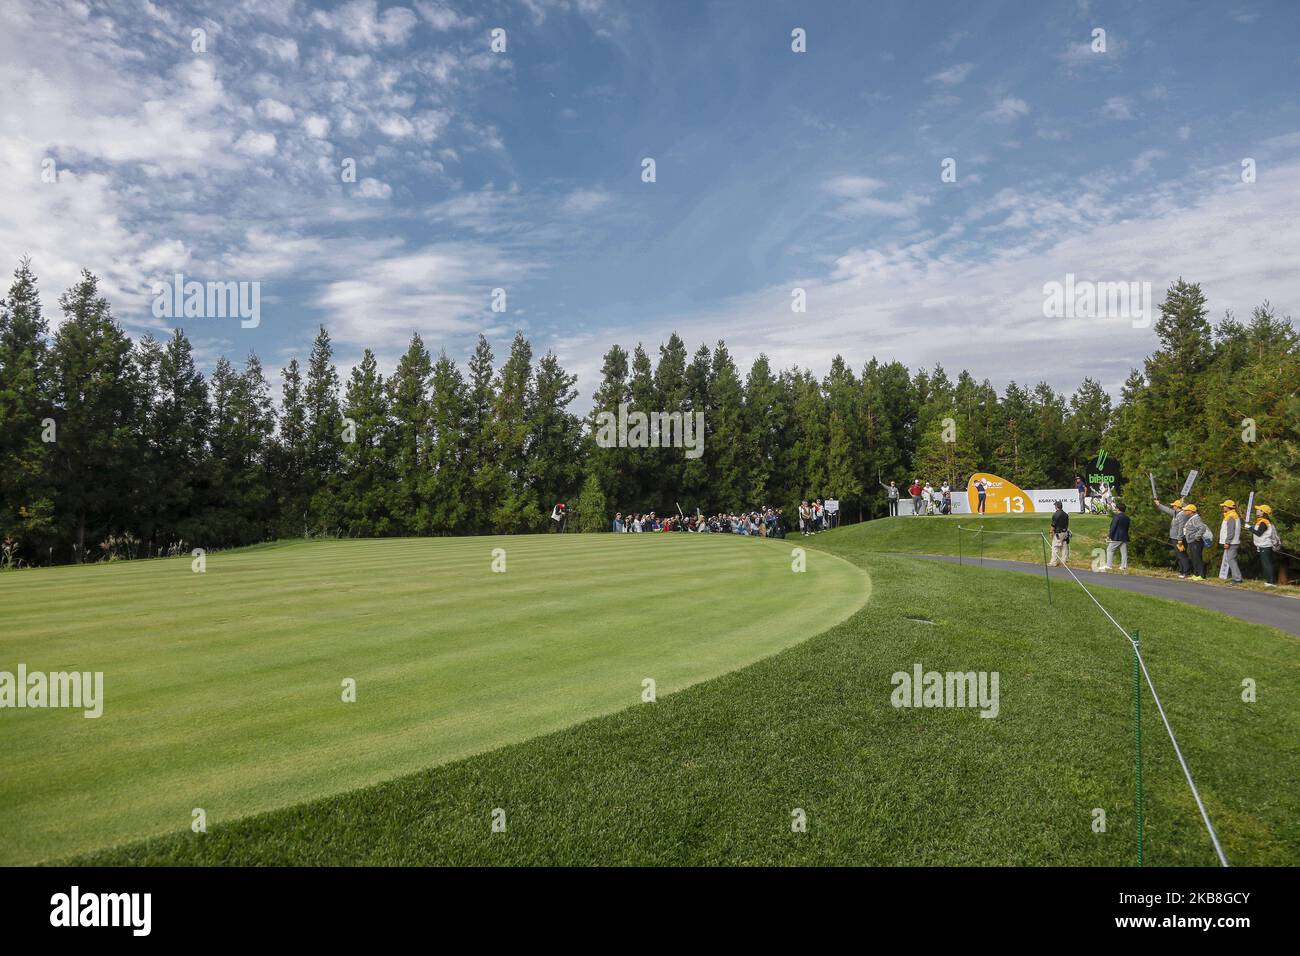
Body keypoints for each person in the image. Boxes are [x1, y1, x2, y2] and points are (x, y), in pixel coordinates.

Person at [1154, 496, 1191, 577]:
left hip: (1179, 538)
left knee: (1182, 555)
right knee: (1179, 555)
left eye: (1174, 505)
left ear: (1177, 507)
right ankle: (1182, 571)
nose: (1172, 506)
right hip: (1175, 538)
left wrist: (1180, 539)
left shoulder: (1182, 515)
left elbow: (1181, 527)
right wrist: (1159, 505)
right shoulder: (1176, 513)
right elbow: (1167, 510)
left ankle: (1186, 572)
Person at [1252, 504, 1280, 587]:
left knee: (1267, 564)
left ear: (1263, 512)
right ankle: (1268, 581)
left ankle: (1270, 582)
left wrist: (1249, 528)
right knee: (1266, 563)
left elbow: (1259, 533)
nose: (1257, 510)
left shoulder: (1264, 522)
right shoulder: (1262, 520)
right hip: (1264, 545)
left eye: (1259, 510)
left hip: (1265, 545)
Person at [1217, 500, 1244, 585]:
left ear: (1228, 507)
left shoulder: (1231, 516)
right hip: (1233, 542)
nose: (1223, 507)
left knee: (1231, 560)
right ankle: (1236, 578)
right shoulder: (1231, 515)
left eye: (1224, 506)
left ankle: (1237, 579)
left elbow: (1230, 532)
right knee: (1231, 560)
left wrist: (1227, 542)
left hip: (1232, 542)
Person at [1181, 503, 1208, 580]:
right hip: (1191, 541)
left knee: (1197, 557)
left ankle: (1201, 575)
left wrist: (1197, 536)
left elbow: (1202, 528)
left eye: (1186, 510)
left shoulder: (1196, 518)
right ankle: (1196, 574)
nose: (1184, 512)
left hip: (1196, 541)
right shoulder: (1192, 518)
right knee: (1193, 558)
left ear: (1191, 511)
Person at [1101, 502, 1129, 572]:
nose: (1115, 509)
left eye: (1116, 508)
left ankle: (1109, 565)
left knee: (1110, 549)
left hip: (1117, 536)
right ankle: (1123, 566)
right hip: (1125, 536)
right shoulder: (1127, 518)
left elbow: (1113, 527)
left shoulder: (1117, 517)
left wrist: (1109, 536)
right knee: (1124, 552)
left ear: (1118, 509)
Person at [1048, 501, 1070, 566]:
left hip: (1058, 533)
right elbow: (1067, 524)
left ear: (1056, 506)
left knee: (1055, 547)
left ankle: (1053, 562)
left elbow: (1053, 525)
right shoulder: (1066, 514)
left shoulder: (1055, 514)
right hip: (1065, 532)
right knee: (1064, 547)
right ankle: (1064, 561)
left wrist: (1051, 532)